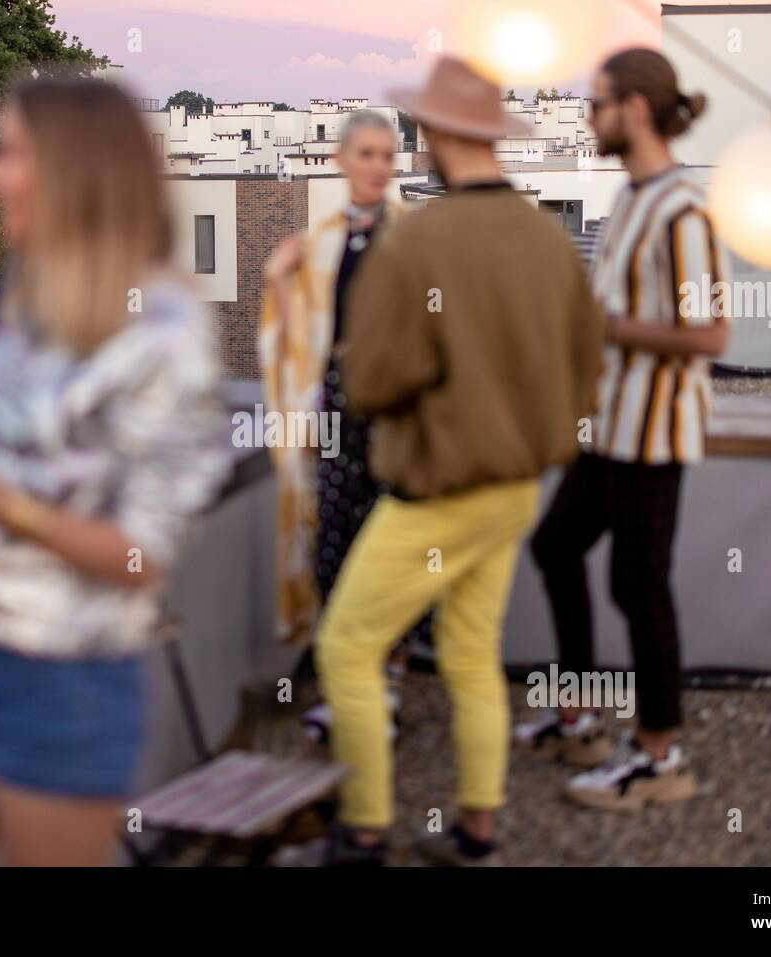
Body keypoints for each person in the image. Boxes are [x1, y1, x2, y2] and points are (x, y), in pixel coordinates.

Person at [0, 71, 229, 866]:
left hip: (69, 681)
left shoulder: (167, 334)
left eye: (9, 154)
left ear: (74, 170)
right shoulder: (27, 287)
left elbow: (140, 559)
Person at [305, 57, 604, 866]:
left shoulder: (418, 240)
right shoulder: (547, 236)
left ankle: (363, 829)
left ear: (434, 133)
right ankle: (478, 831)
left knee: (346, 646)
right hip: (517, 487)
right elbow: (586, 362)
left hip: (439, 490)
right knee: (473, 655)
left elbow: (367, 379)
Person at [517, 48, 729, 811]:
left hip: (653, 437)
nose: (590, 115)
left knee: (640, 589)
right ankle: (579, 717)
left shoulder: (684, 212)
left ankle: (659, 757)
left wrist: (609, 325)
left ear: (635, 110)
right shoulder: (635, 197)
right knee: (554, 546)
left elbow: (711, 336)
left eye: (599, 103)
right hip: (610, 428)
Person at [259, 111, 431, 742]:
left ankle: (385, 685)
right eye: (366, 154)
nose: (379, 166)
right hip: (336, 416)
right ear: (341, 160)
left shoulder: (413, 236)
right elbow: (298, 329)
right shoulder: (322, 239)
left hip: (396, 420)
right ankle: (343, 687)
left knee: (393, 550)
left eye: (387, 155)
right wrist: (277, 279)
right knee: (336, 544)